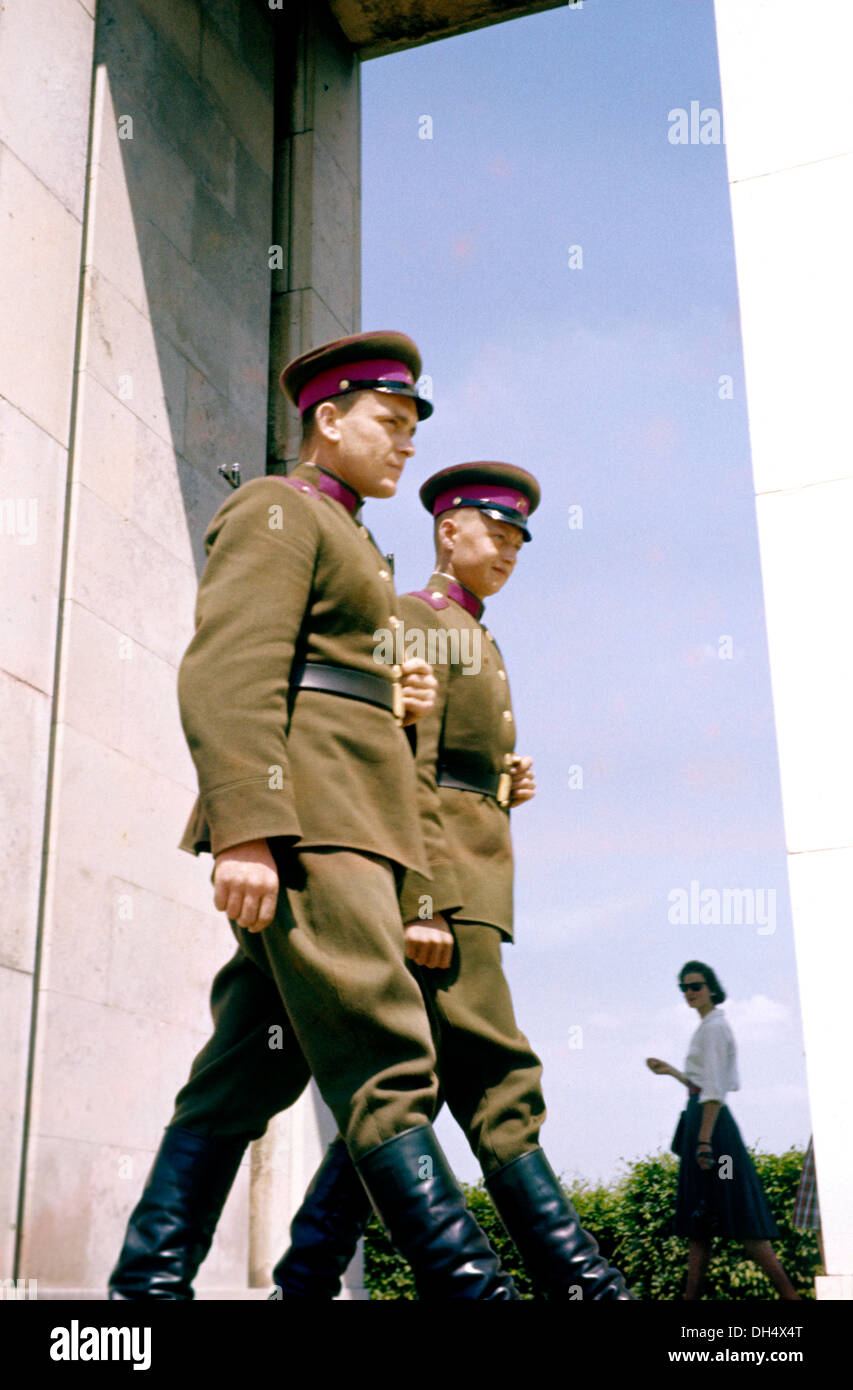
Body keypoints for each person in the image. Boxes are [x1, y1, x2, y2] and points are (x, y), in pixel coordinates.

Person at [107, 334, 518, 1301]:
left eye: (414, 431)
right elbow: (227, 670)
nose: (403, 445)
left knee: (244, 1072)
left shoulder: (356, 548)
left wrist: (397, 696)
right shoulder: (278, 512)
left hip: (356, 825)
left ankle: (142, 1300)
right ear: (327, 421)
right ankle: (475, 1292)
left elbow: (340, 688)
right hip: (310, 828)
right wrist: (246, 828)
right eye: (389, 423)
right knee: (387, 1055)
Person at [270, 463, 635, 1300]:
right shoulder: (417, 619)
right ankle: (582, 1284)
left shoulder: (469, 629)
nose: (507, 550)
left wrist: (503, 782)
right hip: (448, 889)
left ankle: (302, 1282)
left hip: (474, 877)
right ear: (448, 531)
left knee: (423, 1085)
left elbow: (452, 768)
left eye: (517, 540)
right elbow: (400, 765)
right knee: (498, 1077)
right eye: (494, 534)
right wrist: (421, 901)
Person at [646, 961, 799, 1300]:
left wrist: (703, 1143)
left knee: (739, 1216)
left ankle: (791, 1298)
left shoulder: (714, 1028)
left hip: (711, 1129)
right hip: (703, 1121)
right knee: (698, 1226)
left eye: (696, 986)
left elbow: (715, 1089)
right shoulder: (707, 1027)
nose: (689, 992)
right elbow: (703, 1085)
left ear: (711, 988)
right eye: (684, 987)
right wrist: (672, 1071)